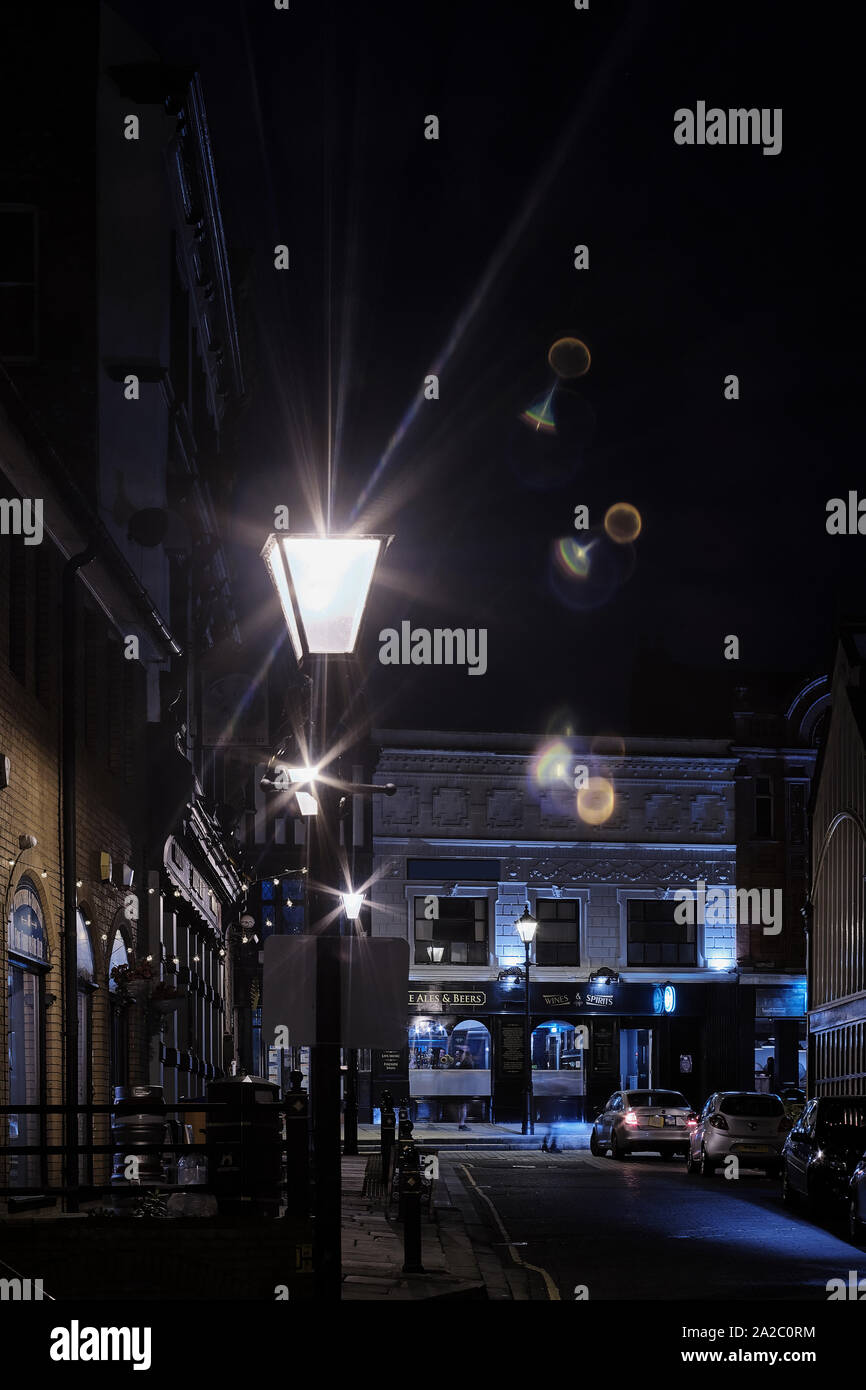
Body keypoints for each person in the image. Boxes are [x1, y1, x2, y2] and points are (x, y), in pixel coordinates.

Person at [453, 1045, 474, 1131]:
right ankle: (461, 1124)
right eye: (456, 1055)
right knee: (462, 1106)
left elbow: (466, 1074)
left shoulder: (467, 1062)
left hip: (464, 1086)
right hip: (460, 1087)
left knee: (463, 1106)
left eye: (458, 1054)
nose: (456, 1056)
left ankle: (461, 1123)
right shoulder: (459, 1062)